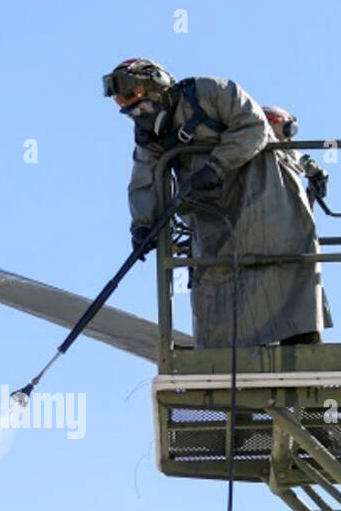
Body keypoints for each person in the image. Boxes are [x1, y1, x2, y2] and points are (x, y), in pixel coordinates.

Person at [105, 58, 328, 347]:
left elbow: (254, 127)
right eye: (122, 102)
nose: (130, 108)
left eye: (132, 96)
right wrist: (143, 225)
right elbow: (144, 178)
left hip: (265, 194)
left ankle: (303, 349)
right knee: (215, 281)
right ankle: (224, 357)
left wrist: (216, 166)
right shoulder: (150, 136)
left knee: (287, 270)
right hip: (214, 214)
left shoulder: (209, 93)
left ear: (155, 83)